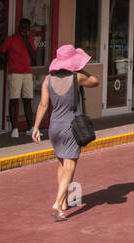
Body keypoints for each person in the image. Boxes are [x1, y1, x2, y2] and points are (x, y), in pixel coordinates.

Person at [31, 44, 100, 221]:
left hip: (54, 126)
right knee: (70, 165)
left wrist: (36, 127)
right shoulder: (77, 78)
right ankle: (57, 204)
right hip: (72, 126)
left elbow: (43, 105)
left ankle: (62, 202)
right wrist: (79, 67)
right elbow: (95, 81)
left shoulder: (48, 79)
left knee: (61, 164)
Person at [1, 18, 37, 138]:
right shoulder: (11, 39)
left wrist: (27, 41)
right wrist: (8, 62)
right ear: (18, 27)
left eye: (26, 27)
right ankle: (14, 129)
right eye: (21, 27)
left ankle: (30, 127)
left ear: (28, 28)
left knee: (27, 100)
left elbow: (33, 56)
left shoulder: (30, 39)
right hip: (15, 73)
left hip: (27, 73)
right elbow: (1, 52)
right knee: (14, 100)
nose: (23, 29)